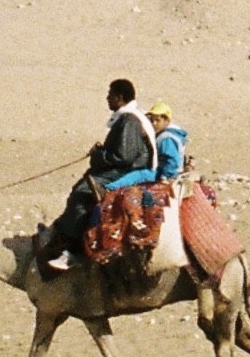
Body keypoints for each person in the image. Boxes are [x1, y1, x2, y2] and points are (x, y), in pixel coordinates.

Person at [35, 78, 159, 272]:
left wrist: (99, 156)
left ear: (119, 97)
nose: (107, 99)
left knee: (82, 194)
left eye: (110, 95)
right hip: (130, 168)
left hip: (133, 171)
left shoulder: (129, 120)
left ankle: (73, 250)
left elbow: (123, 155)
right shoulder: (132, 117)